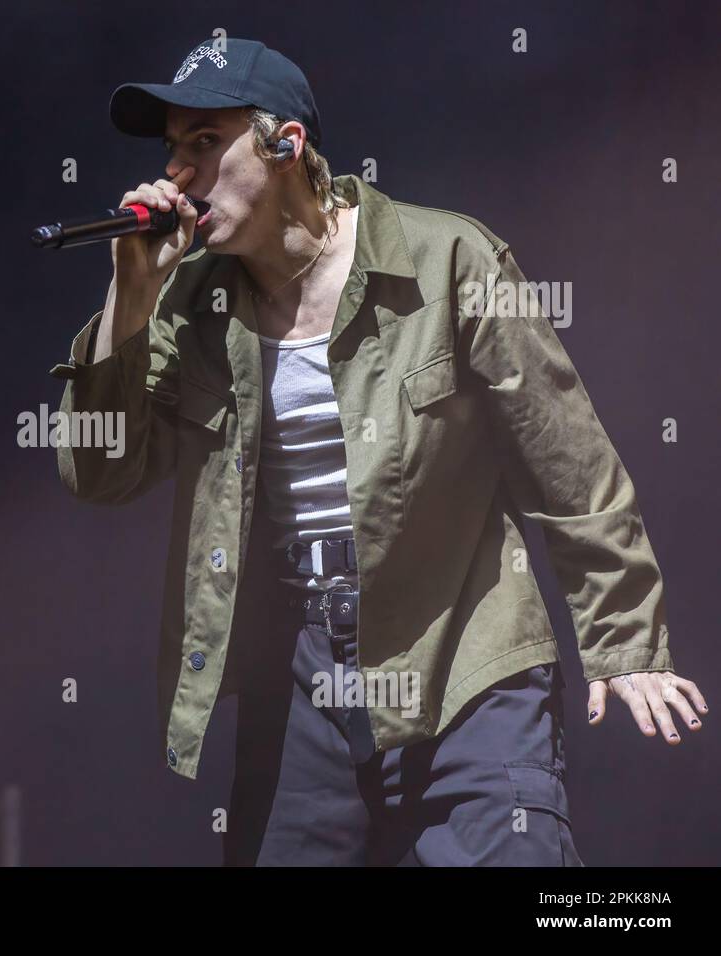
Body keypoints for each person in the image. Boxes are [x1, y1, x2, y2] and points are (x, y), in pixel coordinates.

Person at [48, 37, 707, 865]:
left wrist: (624, 641)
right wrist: (130, 297)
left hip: (462, 655)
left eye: (204, 144)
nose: (176, 174)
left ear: (285, 143)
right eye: (172, 150)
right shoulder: (188, 305)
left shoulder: (448, 260)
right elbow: (99, 475)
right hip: (298, 675)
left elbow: (569, 464)